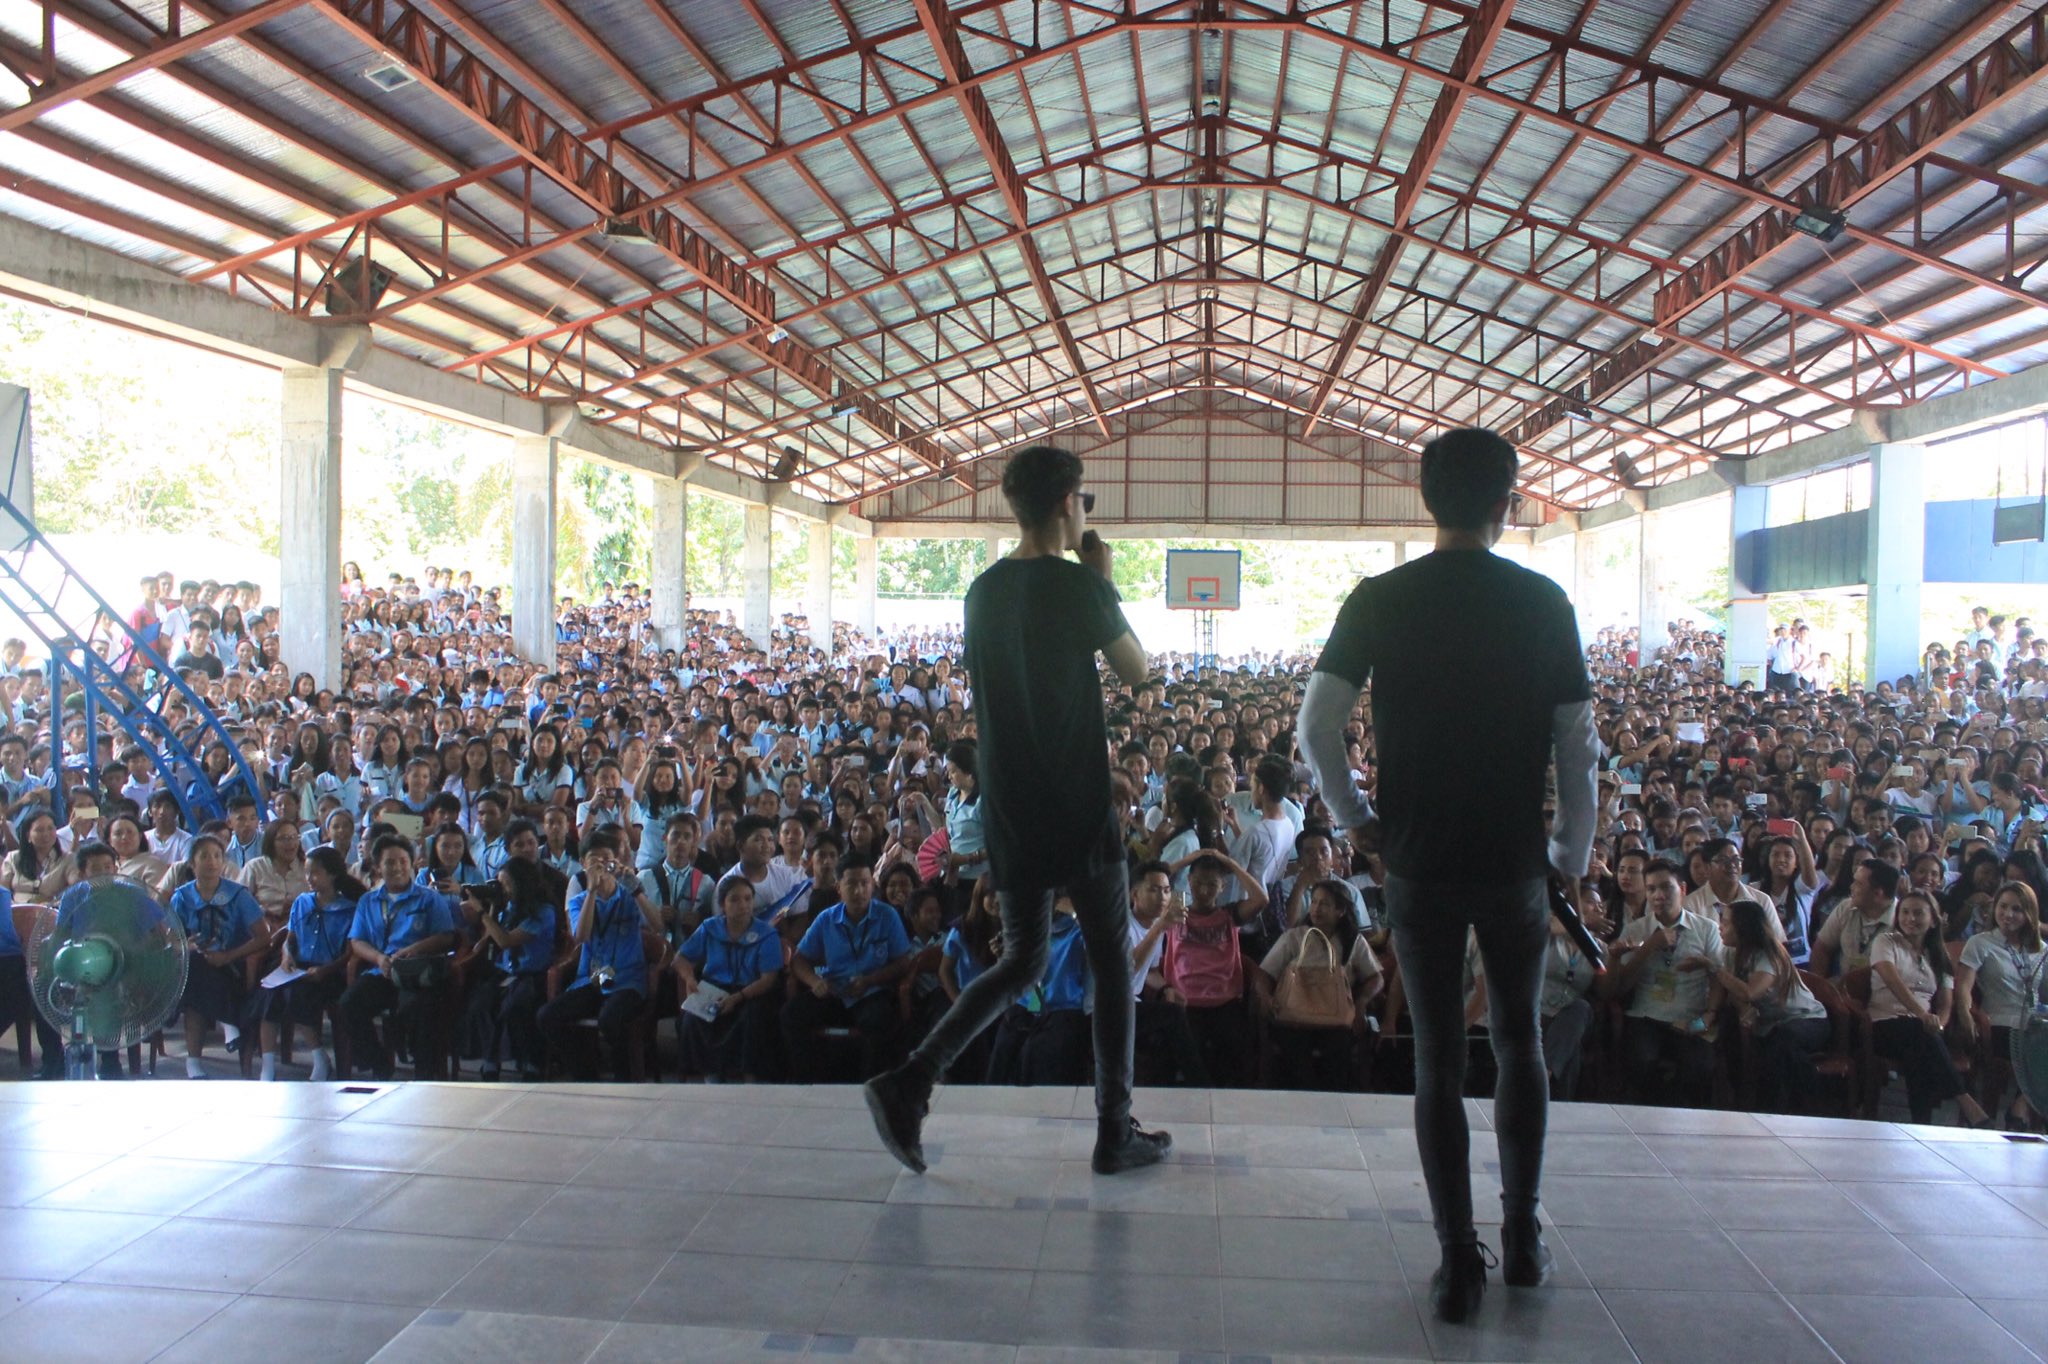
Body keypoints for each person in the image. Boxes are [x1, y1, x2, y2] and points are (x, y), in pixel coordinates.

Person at [1296, 426, 1595, 1322]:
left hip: (1419, 862)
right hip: (1513, 864)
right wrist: (1569, 861)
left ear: (1428, 498)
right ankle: (1525, 1239)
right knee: (1519, 1045)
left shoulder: (1381, 598)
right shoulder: (1543, 600)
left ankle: (1457, 1259)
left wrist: (1361, 827)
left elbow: (1317, 728)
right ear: (1508, 501)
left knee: (1435, 1058)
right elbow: (1578, 751)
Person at [863, 444, 1168, 1177]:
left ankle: (913, 1079)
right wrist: (1106, 587)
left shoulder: (981, 592)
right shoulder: (1080, 587)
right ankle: (1113, 1127)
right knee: (1108, 960)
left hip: (1011, 806)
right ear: (1069, 504)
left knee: (1022, 957)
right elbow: (1141, 678)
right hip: (1077, 807)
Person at [1867, 890, 1992, 1126]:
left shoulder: (1938, 954)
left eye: (1918, 913)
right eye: (1905, 912)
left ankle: (1920, 1125)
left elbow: (1946, 1002)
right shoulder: (1886, 941)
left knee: (1920, 1052)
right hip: (1884, 1024)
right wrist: (1922, 1015)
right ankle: (1965, 1099)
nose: (1910, 918)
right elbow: (1893, 981)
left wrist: (1939, 1024)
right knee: (1920, 1034)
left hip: (1923, 1031)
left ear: (1933, 920)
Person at [254, 847, 363, 1082]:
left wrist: (326, 970)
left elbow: (349, 952)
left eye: (315, 873)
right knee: (269, 994)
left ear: (332, 875)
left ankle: (319, 1057)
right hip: (299, 966)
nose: (309, 879)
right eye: (307, 873)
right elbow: (290, 938)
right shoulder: (302, 902)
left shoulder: (350, 909)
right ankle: (268, 1064)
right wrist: (286, 956)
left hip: (330, 971)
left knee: (296, 994)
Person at [1954, 880, 2046, 1129]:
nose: (2008, 914)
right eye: (2003, 907)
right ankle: (2020, 1111)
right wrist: (1965, 1015)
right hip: (1997, 1023)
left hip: (2035, 1025)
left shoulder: (2040, 950)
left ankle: (2021, 1105)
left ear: (2029, 914)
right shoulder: (1981, 943)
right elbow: (1963, 986)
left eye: (2017, 909)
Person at [675, 877, 782, 1081]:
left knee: (753, 1019)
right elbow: (680, 958)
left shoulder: (766, 934)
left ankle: (750, 1077)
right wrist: (689, 979)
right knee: (691, 1019)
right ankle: (710, 1075)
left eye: (748, 899)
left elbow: (769, 979)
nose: (743, 905)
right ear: (722, 905)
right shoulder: (709, 927)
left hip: (751, 991)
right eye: (734, 900)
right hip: (715, 988)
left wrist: (738, 997)